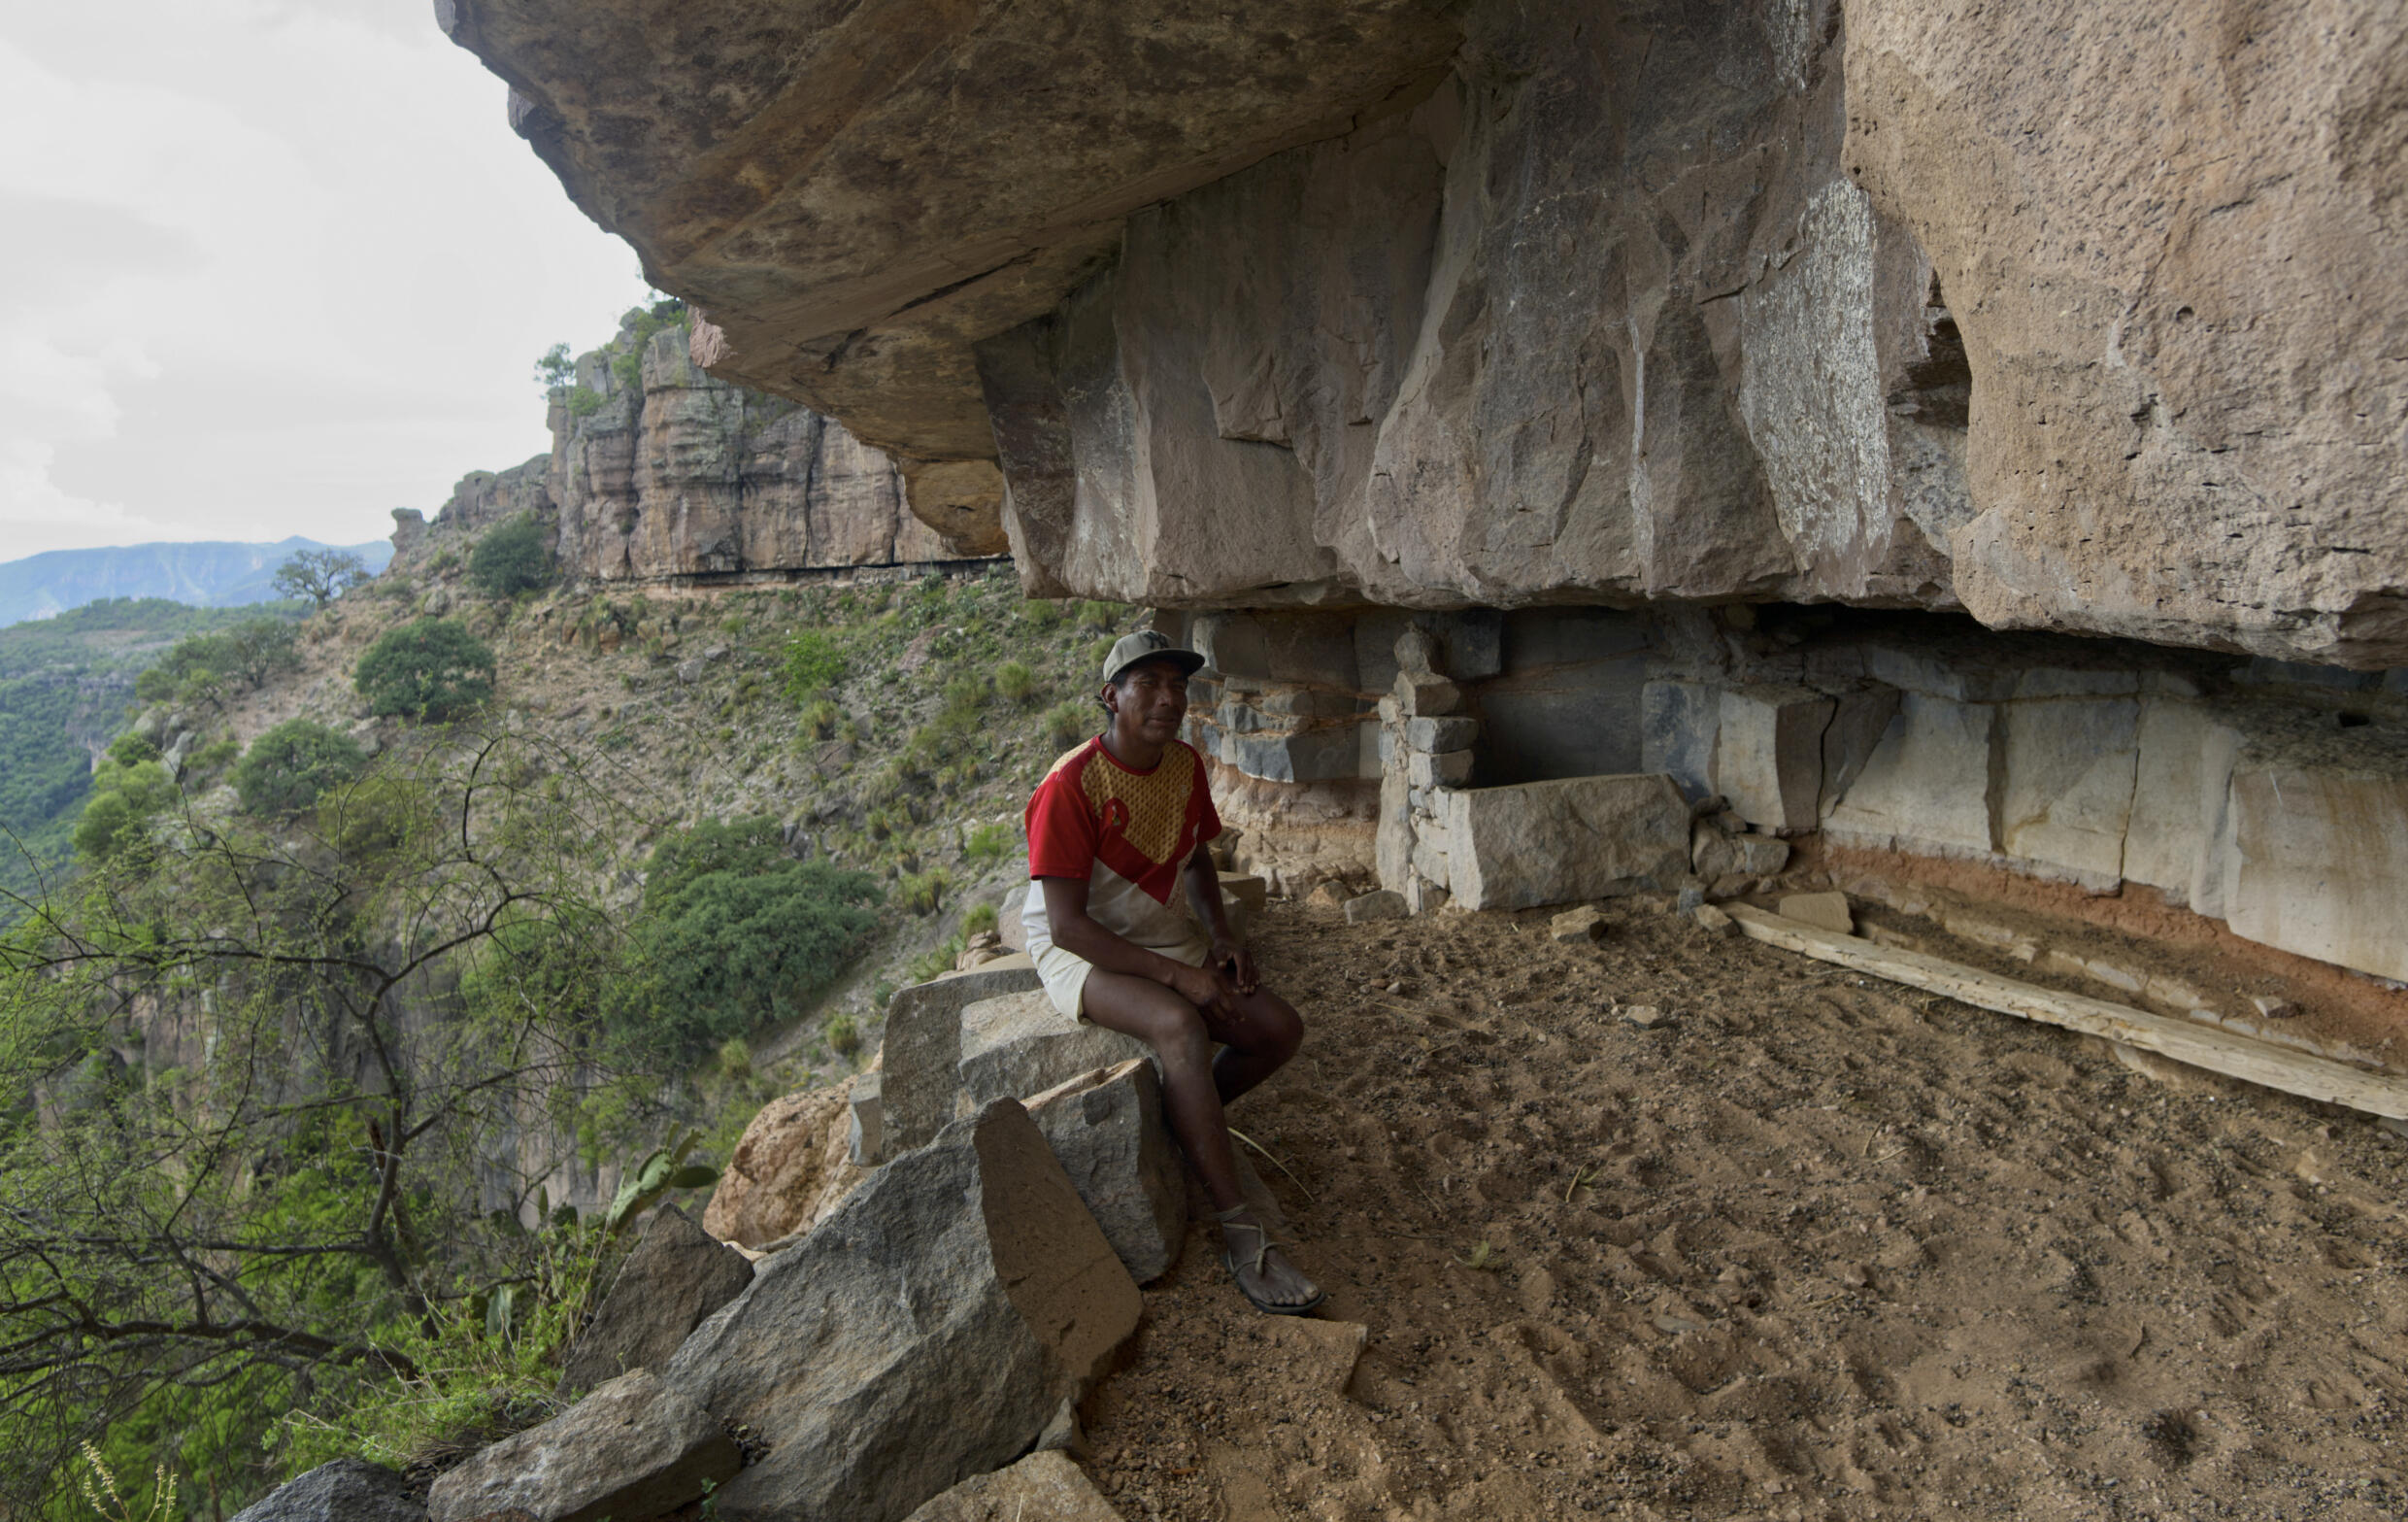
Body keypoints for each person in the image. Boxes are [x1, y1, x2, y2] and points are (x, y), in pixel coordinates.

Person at [1020, 629, 1322, 1314]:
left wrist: (1220, 937)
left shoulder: (1183, 765)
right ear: (1111, 696)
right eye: (1148, 684)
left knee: (1278, 1029)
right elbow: (1067, 924)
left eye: (1178, 685)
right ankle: (1243, 1233)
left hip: (1157, 930)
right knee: (1180, 1025)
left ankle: (1191, 1124)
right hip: (1081, 946)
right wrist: (1177, 976)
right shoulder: (1070, 785)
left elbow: (1195, 859)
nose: (1168, 698)